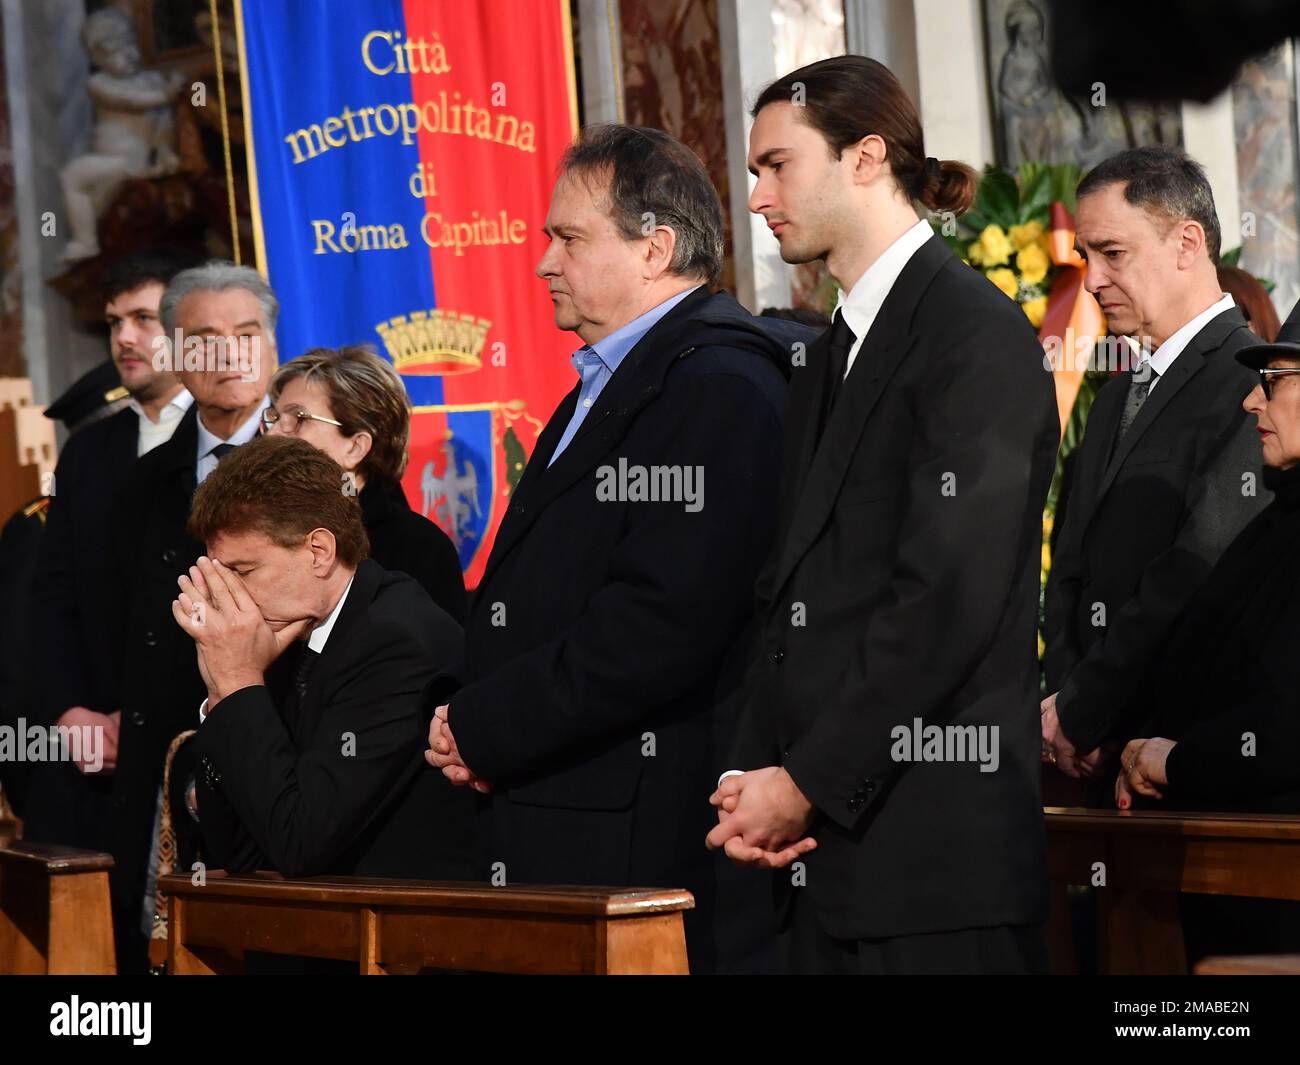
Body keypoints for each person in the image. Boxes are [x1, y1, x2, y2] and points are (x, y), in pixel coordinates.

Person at [426, 124, 812, 973]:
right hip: (565, 809)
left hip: (641, 835)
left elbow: (661, 621)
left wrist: (488, 724)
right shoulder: (613, 380)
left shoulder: (717, 385)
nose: (543, 263)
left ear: (655, 248)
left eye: (568, 238)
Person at [709, 55, 1059, 975]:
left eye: (776, 165)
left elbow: (945, 597)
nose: (756, 197)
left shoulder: (973, 336)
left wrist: (808, 781)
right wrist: (753, 778)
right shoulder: (833, 351)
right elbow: (790, 588)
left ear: (866, 157)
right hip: (824, 862)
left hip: (938, 872)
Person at [1042, 147, 1269, 791]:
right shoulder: (1117, 390)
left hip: (1178, 749)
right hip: (1089, 746)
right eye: (1087, 255)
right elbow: (1069, 563)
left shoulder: (1248, 379)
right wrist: (1064, 704)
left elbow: (1196, 567)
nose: (1090, 279)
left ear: (1187, 243)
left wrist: (1086, 708)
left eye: (1113, 253)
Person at [173, 434, 473, 881]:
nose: (228, 596)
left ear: (319, 551)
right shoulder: (283, 633)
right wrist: (222, 690)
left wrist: (237, 679)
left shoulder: (399, 643)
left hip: (402, 936)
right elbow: (236, 852)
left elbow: (300, 844)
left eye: (242, 572)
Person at [1114, 304, 1300, 961]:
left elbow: (1285, 726)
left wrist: (1172, 758)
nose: (1253, 399)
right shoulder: (1280, 515)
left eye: (1274, 379)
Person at [106, 260, 276, 973]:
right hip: (166, 773)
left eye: (248, 333)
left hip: (287, 769)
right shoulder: (140, 485)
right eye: (206, 337)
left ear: (272, 346)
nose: (231, 353)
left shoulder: (318, 467)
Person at [22, 249, 196, 848]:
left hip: (194, 738)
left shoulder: (226, 437)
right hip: (96, 749)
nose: (125, 337)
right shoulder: (89, 453)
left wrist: (150, 714)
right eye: (114, 322)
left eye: (144, 319)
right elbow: (51, 600)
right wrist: (71, 714)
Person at [263, 346, 467, 623]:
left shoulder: (420, 551)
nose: (273, 433)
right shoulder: (251, 528)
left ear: (356, 447)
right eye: (274, 417)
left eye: (297, 419)